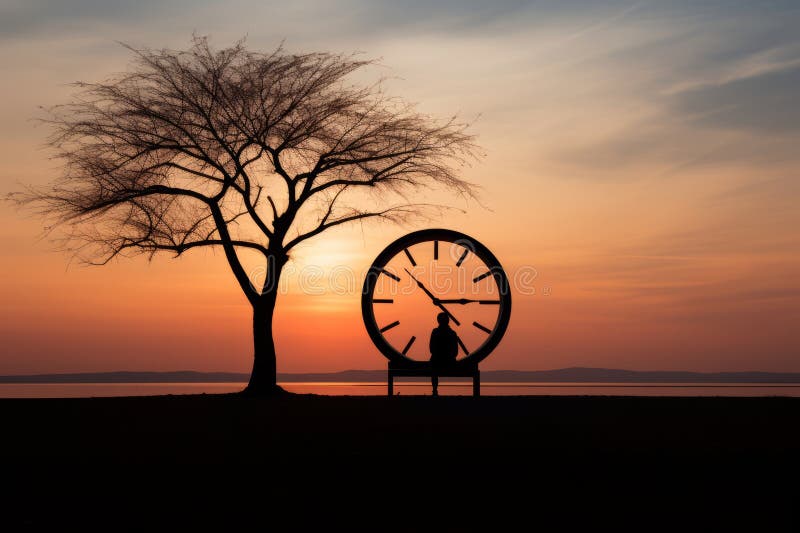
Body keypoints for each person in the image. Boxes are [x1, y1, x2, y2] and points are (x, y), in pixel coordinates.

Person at [429, 312, 459, 396]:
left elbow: (431, 349)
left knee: (433, 368)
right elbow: (455, 352)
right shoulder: (453, 333)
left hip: (436, 362)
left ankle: (434, 389)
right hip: (450, 363)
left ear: (438, 321)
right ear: (448, 321)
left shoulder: (435, 332)